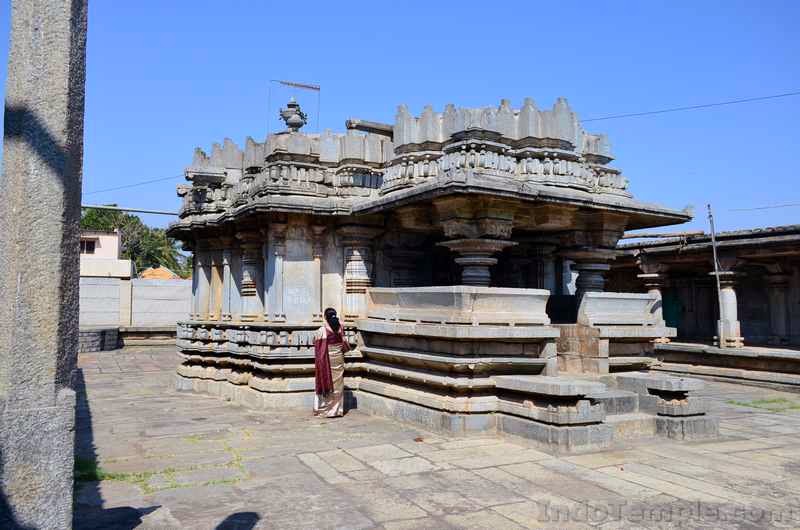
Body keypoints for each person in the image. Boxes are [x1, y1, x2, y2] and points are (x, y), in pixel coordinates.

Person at [313, 307, 350, 417]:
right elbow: (344, 342)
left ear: (325, 317)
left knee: (327, 382)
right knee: (338, 384)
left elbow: (315, 342)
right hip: (339, 358)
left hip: (327, 360)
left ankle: (325, 410)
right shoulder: (341, 327)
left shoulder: (322, 330)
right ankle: (337, 410)